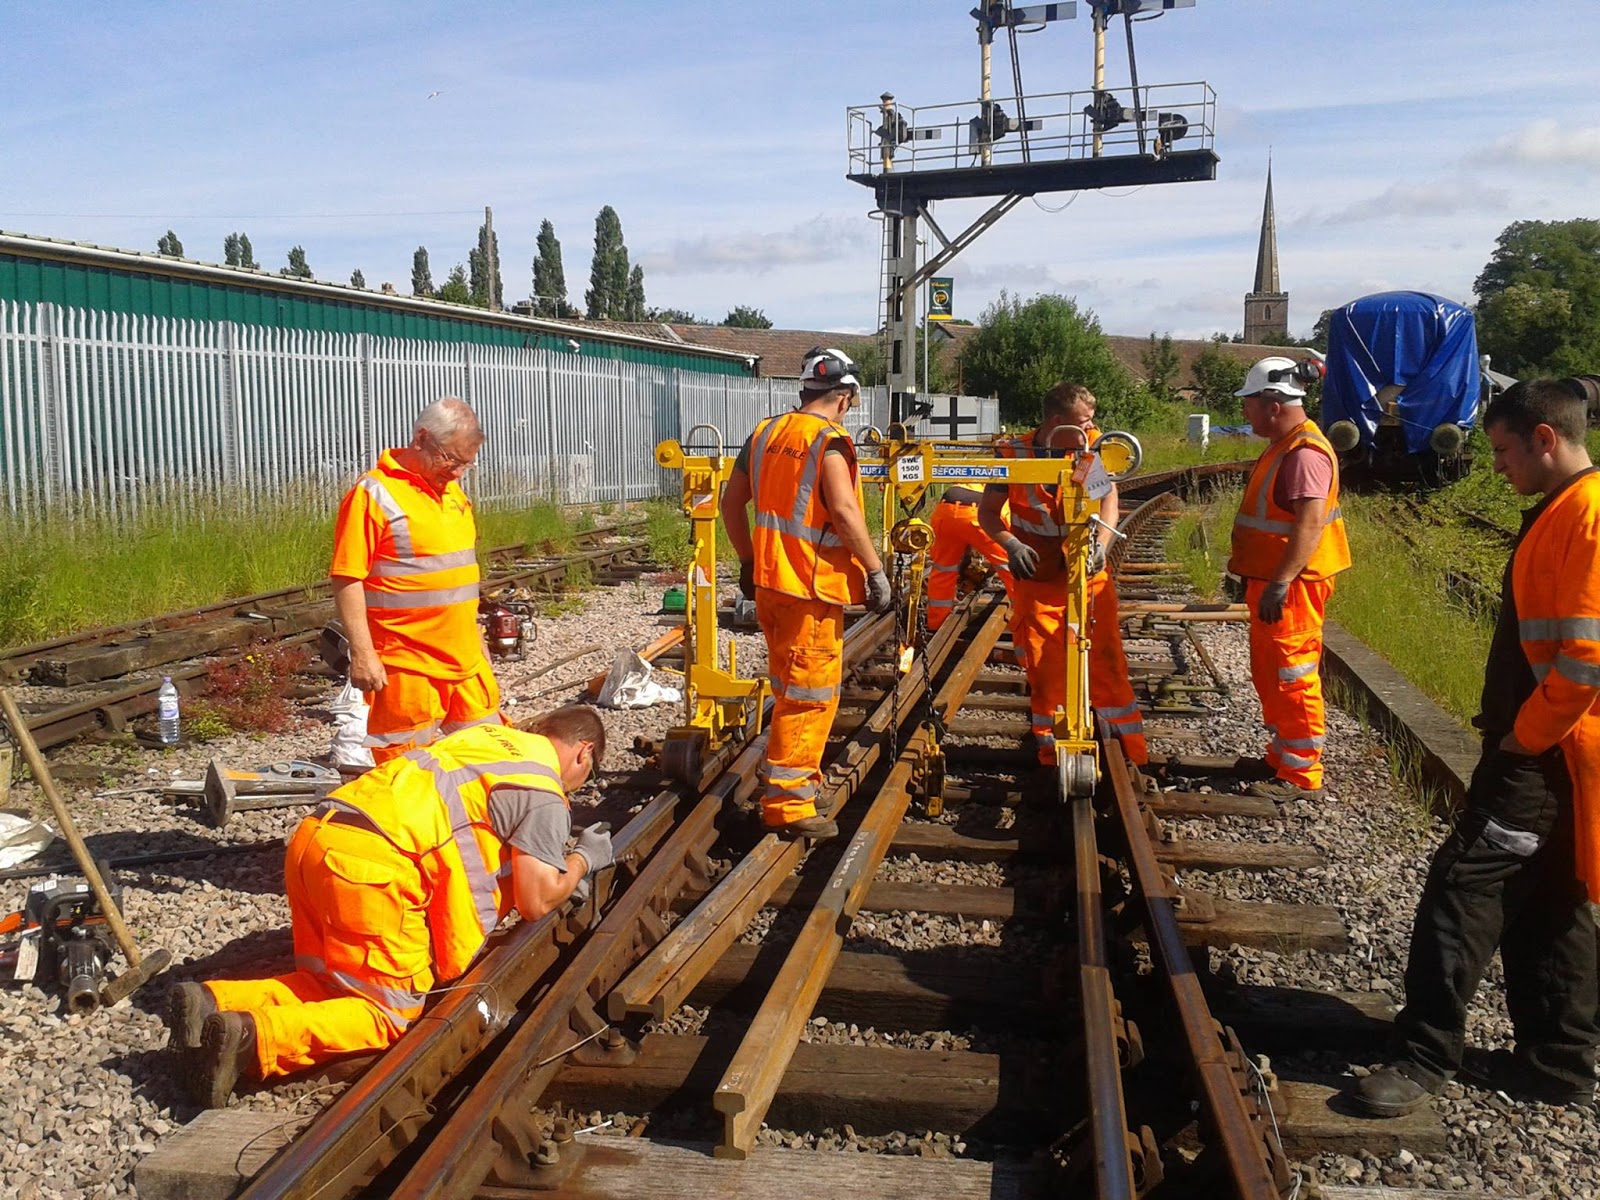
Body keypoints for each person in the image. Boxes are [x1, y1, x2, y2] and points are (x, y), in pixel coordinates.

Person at [1351, 379, 1600, 1117]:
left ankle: (1424, 1056)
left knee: (1463, 889)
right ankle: (1558, 1065)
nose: (1496, 467)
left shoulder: (1583, 517)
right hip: (1557, 753)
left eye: (1502, 450)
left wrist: (1522, 741)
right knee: (1556, 902)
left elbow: (1584, 663)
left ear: (1544, 439)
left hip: (1543, 754)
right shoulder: (1567, 509)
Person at [166, 707, 613, 1108]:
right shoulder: (544, 789)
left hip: (317, 841)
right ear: (584, 753)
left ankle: (210, 1002)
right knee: (388, 1014)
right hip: (371, 868)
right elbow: (537, 901)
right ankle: (251, 1038)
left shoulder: (486, 738)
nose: (576, 787)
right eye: (585, 777)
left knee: (333, 983)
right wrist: (581, 861)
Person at [721, 347, 894, 840]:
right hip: (811, 588)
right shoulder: (831, 442)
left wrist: (750, 559)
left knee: (788, 687)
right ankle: (789, 805)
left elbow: (734, 504)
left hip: (771, 583)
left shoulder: (765, 432)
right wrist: (874, 569)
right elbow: (842, 509)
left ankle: (781, 781)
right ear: (844, 397)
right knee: (810, 696)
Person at [979, 382, 1147, 770]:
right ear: (1056, 422)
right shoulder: (1013, 453)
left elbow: (1108, 501)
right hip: (1037, 575)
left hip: (1087, 574)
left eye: (1091, 420)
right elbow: (988, 513)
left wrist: (1102, 545)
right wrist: (1010, 544)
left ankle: (1129, 753)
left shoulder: (1093, 448)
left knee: (1105, 662)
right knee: (1044, 666)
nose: (1092, 427)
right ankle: (1052, 751)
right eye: (1084, 420)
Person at [331, 397, 501, 765]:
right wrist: (362, 653)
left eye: (465, 464)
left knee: (490, 757)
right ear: (421, 438)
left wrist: (476, 636)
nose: (457, 472)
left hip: (466, 660)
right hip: (408, 665)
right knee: (406, 772)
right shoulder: (372, 494)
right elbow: (347, 577)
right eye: (451, 460)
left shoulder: (452, 490)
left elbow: (456, 579)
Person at [1226, 357, 1351, 802]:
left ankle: (1301, 774)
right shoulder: (1286, 445)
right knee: (1272, 673)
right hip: (1275, 581)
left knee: (1293, 675)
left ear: (1273, 404)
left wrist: (1279, 582)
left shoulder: (1304, 453)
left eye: (1250, 404)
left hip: (1292, 586)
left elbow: (1309, 524)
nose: (1245, 413)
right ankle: (1282, 757)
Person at [925, 486, 1014, 632]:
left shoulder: (976, 475)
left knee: (943, 569)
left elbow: (963, 532)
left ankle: (936, 624)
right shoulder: (1011, 494)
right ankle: (1024, 617)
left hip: (945, 510)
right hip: (978, 513)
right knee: (1010, 567)